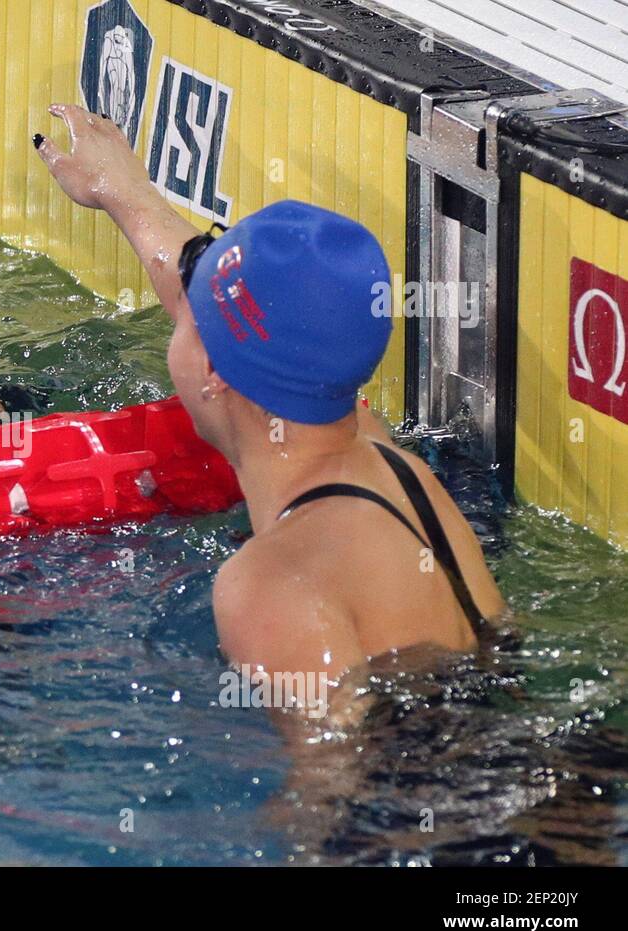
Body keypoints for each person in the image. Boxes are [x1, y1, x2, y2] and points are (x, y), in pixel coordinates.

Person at [35, 103, 508, 681]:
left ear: (210, 363)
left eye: (188, 315)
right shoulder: (394, 466)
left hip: (405, 768)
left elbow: (332, 772)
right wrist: (120, 190)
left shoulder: (266, 585)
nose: (178, 308)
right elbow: (251, 314)